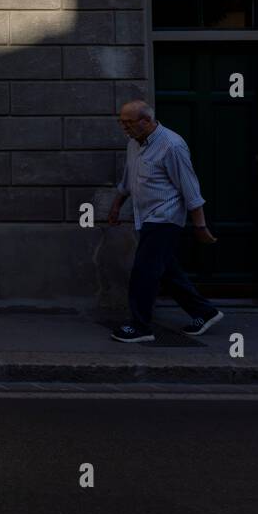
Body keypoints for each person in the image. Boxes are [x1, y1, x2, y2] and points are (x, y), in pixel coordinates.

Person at [107, 100, 223, 343]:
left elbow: (190, 188)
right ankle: (205, 311)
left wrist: (200, 226)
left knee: (144, 272)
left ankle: (141, 327)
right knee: (168, 271)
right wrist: (117, 205)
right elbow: (129, 179)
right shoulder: (133, 144)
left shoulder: (172, 145)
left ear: (146, 121)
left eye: (128, 123)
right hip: (145, 216)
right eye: (122, 122)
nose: (124, 127)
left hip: (164, 218)